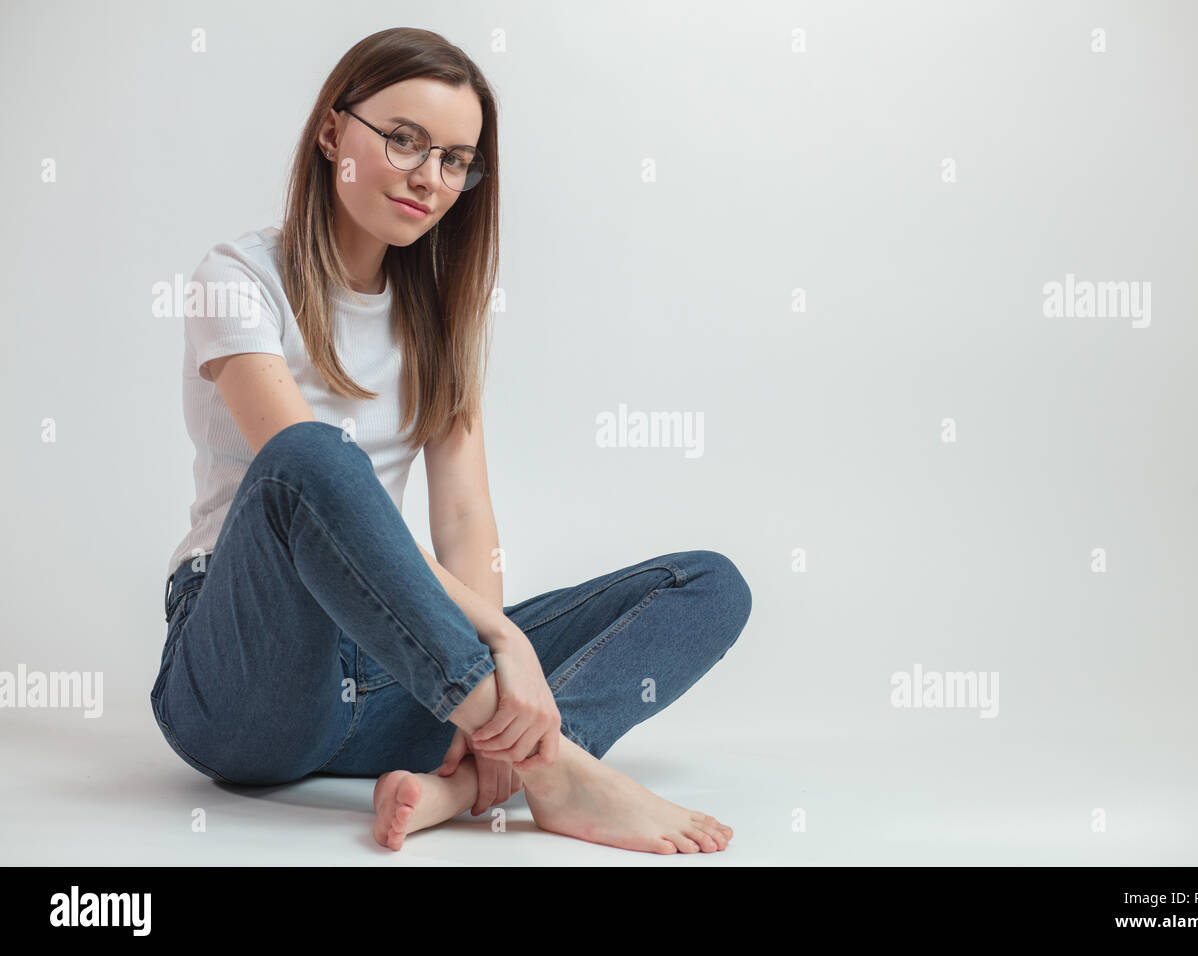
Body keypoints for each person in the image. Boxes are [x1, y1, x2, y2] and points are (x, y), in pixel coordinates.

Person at [151, 27, 752, 855]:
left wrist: (484, 658)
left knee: (709, 585)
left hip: (396, 672)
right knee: (313, 456)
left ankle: (469, 782)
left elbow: (465, 520)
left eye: (456, 160)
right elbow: (295, 476)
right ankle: (555, 766)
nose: (429, 178)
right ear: (332, 133)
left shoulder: (434, 316)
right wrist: (500, 643)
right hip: (252, 685)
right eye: (404, 140)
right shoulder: (238, 280)